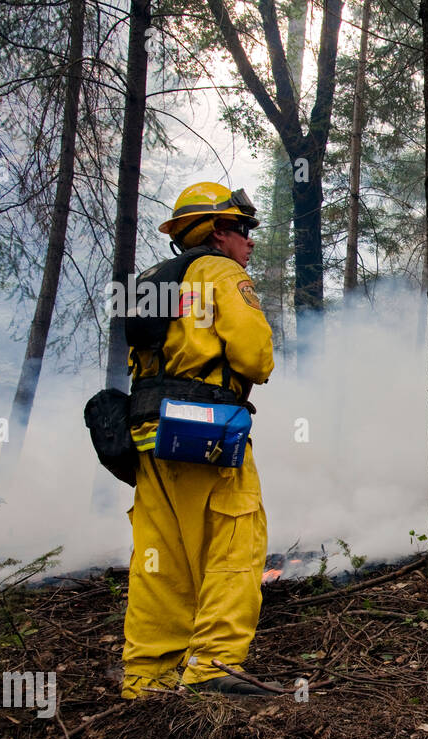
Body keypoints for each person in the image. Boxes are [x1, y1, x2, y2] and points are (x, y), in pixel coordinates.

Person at [121, 182, 276, 698]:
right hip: (205, 429)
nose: (249, 243)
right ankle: (213, 668)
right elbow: (255, 356)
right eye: (243, 230)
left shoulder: (151, 279)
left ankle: (146, 679)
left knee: (160, 559)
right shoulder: (220, 272)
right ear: (217, 232)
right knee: (236, 540)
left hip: (148, 430)